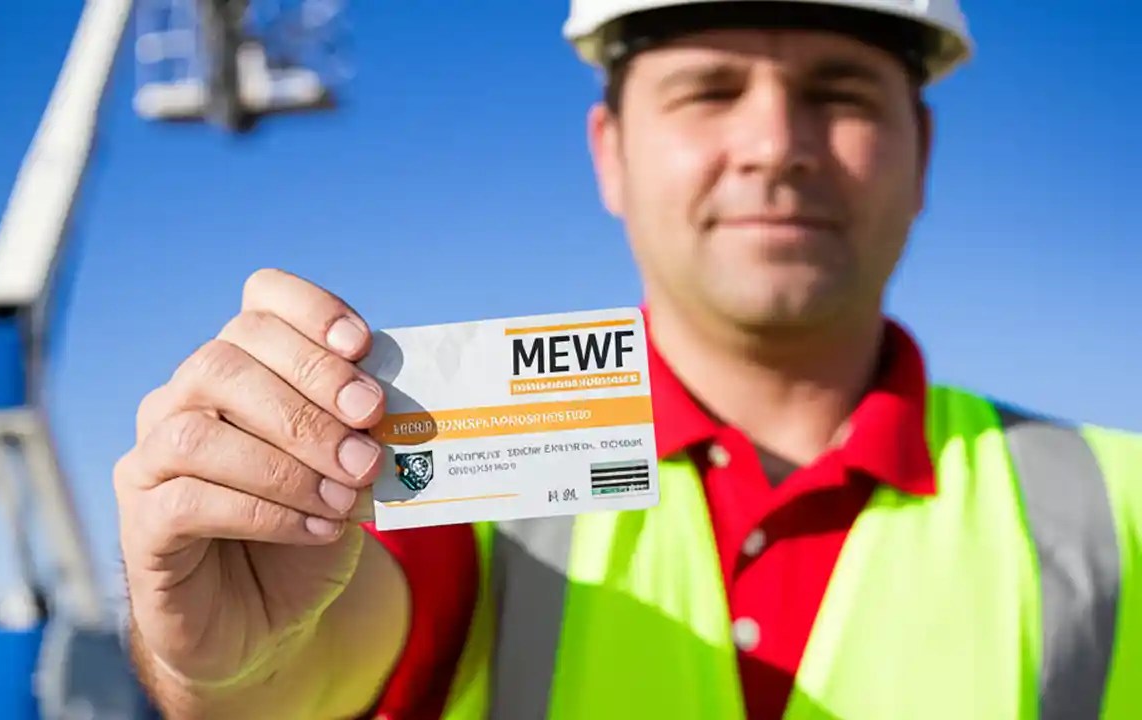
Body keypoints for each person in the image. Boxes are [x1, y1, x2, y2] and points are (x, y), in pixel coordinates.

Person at [113, 0, 1142, 717]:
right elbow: (309, 665)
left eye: (839, 93)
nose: (774, 142)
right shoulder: (452, 476)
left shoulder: (1119, 507)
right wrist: (229, 662)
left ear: (919, 152)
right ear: (608, 150)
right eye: (708, 90)